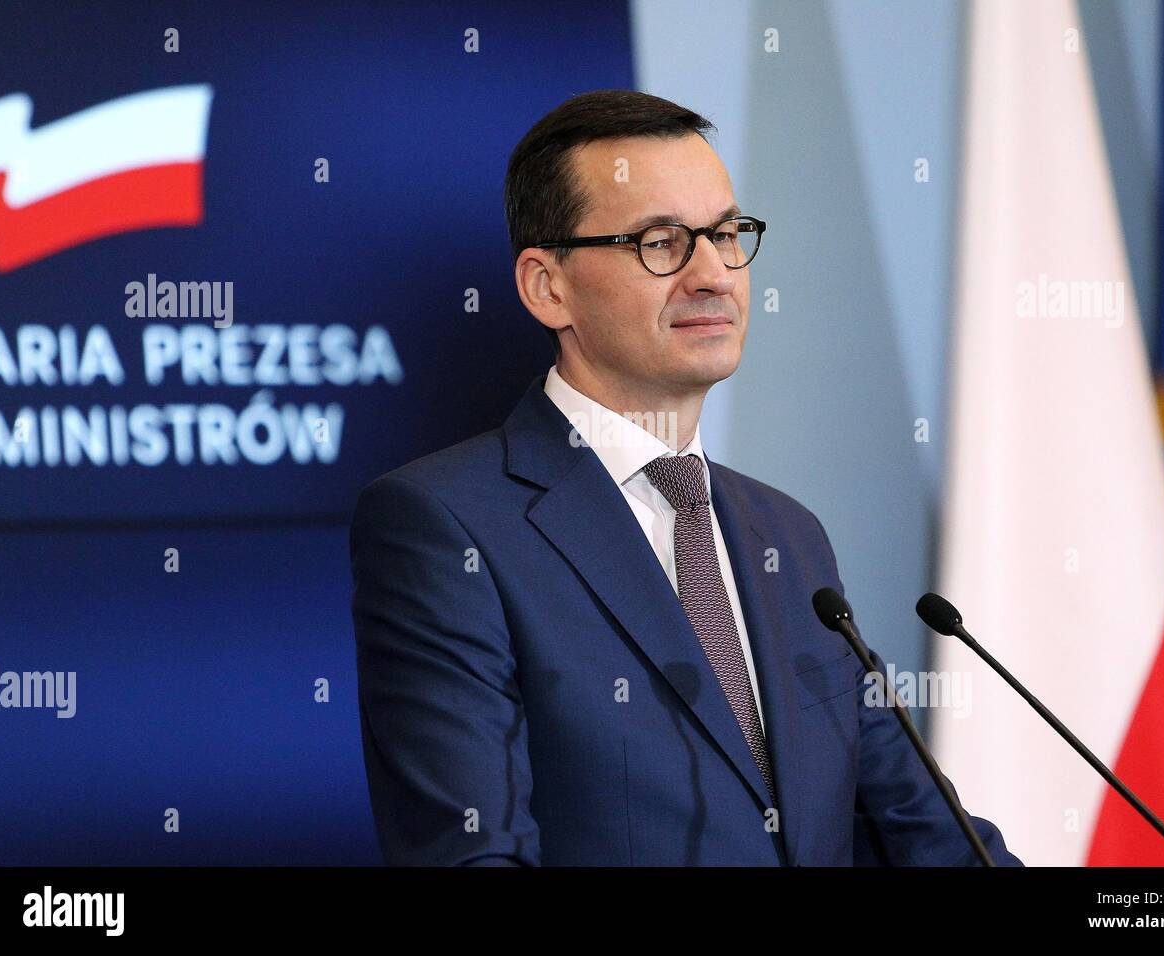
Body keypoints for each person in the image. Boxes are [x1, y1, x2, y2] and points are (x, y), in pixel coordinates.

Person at [350, 89, 1022, 866]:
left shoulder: (788, 535)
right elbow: (471, 854)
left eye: (727, 234)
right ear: (547, 286)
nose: (715, 275)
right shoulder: (444, 526)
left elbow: (928, 836)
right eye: (660, 242)